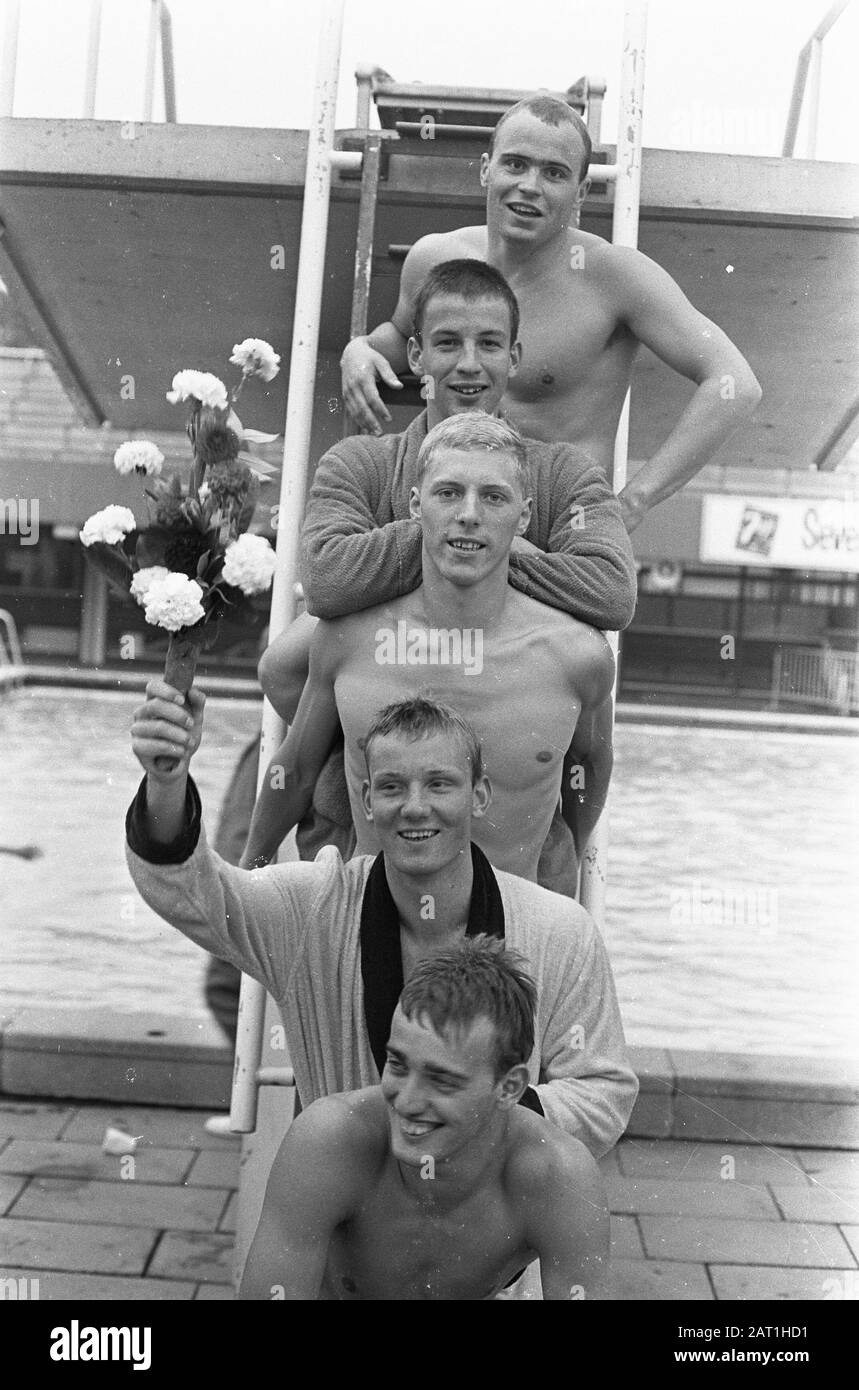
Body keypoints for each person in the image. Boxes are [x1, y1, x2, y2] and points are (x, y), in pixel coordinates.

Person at [126, 692, 637, 1158]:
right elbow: (194, 896)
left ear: (479, 796)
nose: (415, 807)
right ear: (367, 801)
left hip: (490, 1236)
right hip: (341, 1221)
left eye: (439, 783)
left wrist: (476, 1117)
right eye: (392, 787)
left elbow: (601, 1089)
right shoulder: (310, 909)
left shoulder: (559, 930)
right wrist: (166, 783)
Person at [259, 258, 635, 886]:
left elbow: (612, 590)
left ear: (514, 357)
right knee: (299, 655)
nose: (468, 364)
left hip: (514, 822)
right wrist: (462, 540)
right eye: (446, 343)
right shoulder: (360, 463)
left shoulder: (562, 473)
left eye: (488, 344)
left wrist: (482, 547)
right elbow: (325, 579)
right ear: (414, 354)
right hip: (372, 813)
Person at [340, 94, 761, 532]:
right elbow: (399, 339)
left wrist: (634, 502)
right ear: (487, 168)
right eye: (516, 164)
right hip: (454, 526)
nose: (530, 185)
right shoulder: (435, 258)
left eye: (554, 173)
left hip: (557, 530)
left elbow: (734, 384)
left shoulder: (614, 275)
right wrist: (359, 349)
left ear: (580, 192)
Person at [242, 413, 615, 895]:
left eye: (494, 497)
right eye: (448, 493)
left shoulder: (578, 657)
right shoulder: (350, 638)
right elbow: (294, 772)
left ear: (523, 517)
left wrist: (559, 866)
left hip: (512, 940)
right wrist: (246, 876)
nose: (469, 514)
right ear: (416, 505)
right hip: (375, 936)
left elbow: (588, 772)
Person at [239, 937, 609, 1301]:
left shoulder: (558, 1175)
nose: (408, 1100)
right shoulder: (332, 1142)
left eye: (441, 1080)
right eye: (397, 1065)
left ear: (509, 1088)